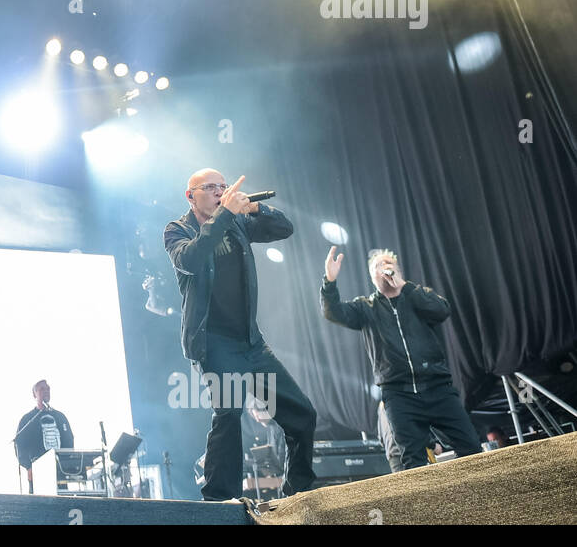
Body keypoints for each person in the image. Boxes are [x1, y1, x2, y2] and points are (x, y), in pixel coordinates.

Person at [164, 169, 317, 500]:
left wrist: (255, 210)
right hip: (214, 343)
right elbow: (191, 259)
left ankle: (298, 493)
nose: (220, 191)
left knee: (302, 414)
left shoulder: (237, 222)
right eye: (210, 187)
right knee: (229, 413)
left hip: (251, 343)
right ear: (190, 195)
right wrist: (225, 214)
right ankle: (220, 502)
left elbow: (284, 228)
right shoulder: (177, 230)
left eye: (223, 186)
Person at [321, 246, 482, 470]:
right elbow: (333, 312)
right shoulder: (366, 307)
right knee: (412, 461)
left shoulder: (415, 295)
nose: (386, 267)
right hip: (399, 395)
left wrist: (405, 287)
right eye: (380, 265)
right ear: (372, 276)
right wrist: (329, 281)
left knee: (471, 446)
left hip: (437, 388)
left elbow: (442, 310)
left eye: (390, 264)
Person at [13, 379, 73, 491]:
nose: (46, 391)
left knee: (62, 505)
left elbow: (69, 442)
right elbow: (19, 445)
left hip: (60, 473)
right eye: (42, 389)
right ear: (34, 394)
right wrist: (28, 467)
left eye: (48, 389)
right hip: (37, 474)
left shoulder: (60, 417)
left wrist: (68, 464)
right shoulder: (27, 419)